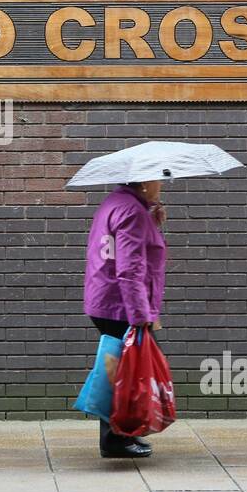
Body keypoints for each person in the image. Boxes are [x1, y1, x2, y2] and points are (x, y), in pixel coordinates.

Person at [83, 179, 167, 458]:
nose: (162, 186)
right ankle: (117, 439)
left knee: (118, 368)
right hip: (121, 304)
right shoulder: (132, 211)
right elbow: (129, 269)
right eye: (159, 180)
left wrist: (150, 223)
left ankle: (119, 435)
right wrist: (141, 315)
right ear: (144, 182)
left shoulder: (116, 203)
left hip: (105, 299)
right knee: (128, 371)